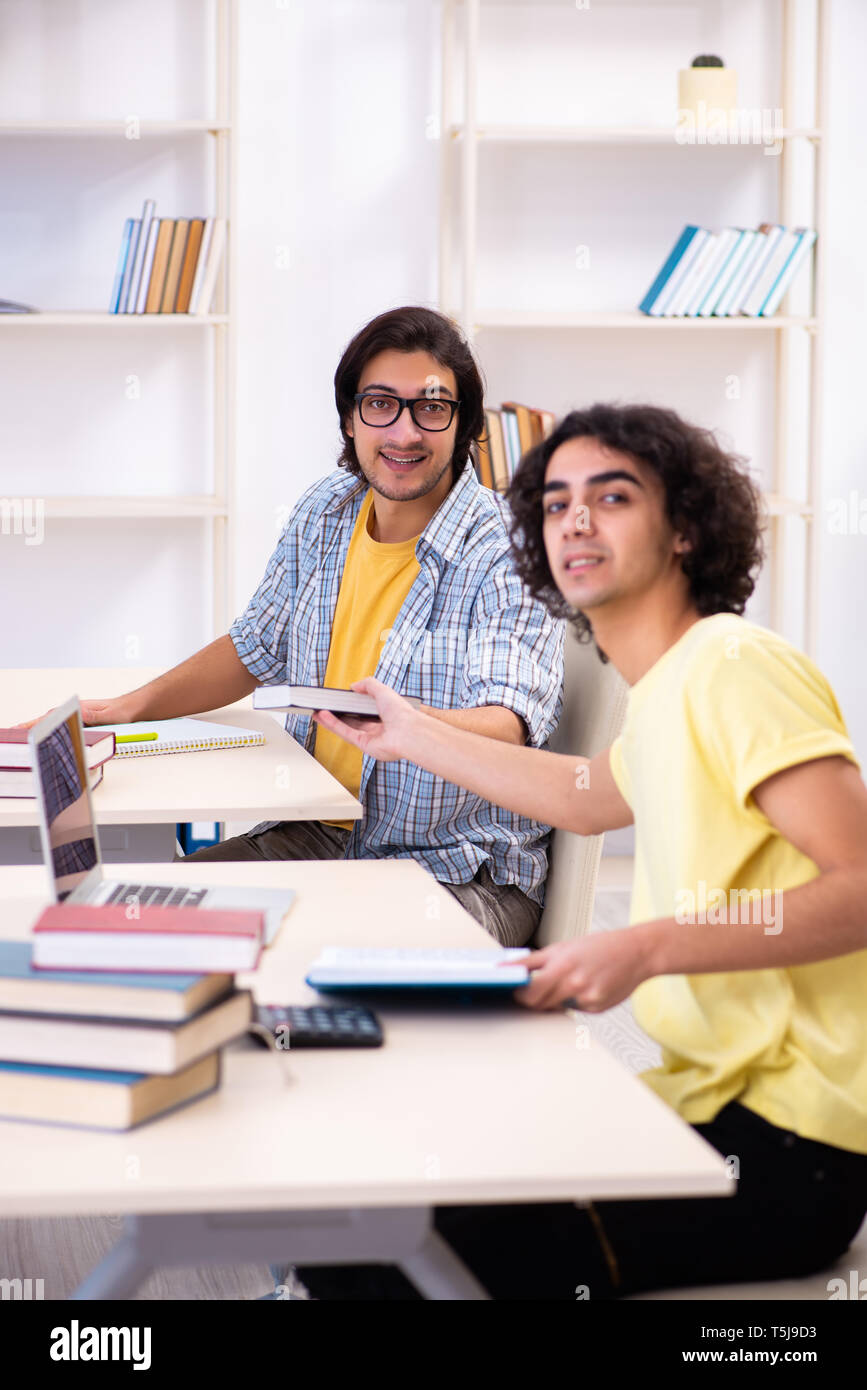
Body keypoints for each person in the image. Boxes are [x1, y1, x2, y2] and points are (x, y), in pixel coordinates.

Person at [295, 401, 867, 1299]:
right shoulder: (670, 688)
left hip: (787, 1149)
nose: (575, 520)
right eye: (556, 503)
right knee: (379, 1181)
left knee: (376, 1244)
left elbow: (861, 888)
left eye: (611, 497)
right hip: (699, 1103)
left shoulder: (731, 665)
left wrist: (643, 947)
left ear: (683, 529)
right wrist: (408, 732)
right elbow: (583, 795)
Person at [23, 307, 564, 948]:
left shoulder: (505, 546)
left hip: (456, 871)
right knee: (134, 929)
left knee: (285, 954)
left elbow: (510, 722)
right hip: (315, 836)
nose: (405, 432)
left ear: (465, 424)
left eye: (432, 408)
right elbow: (255, 646)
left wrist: (408, 726)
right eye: (380, 404)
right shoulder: (324, 512)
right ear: (350, 418)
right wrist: (127, 708)